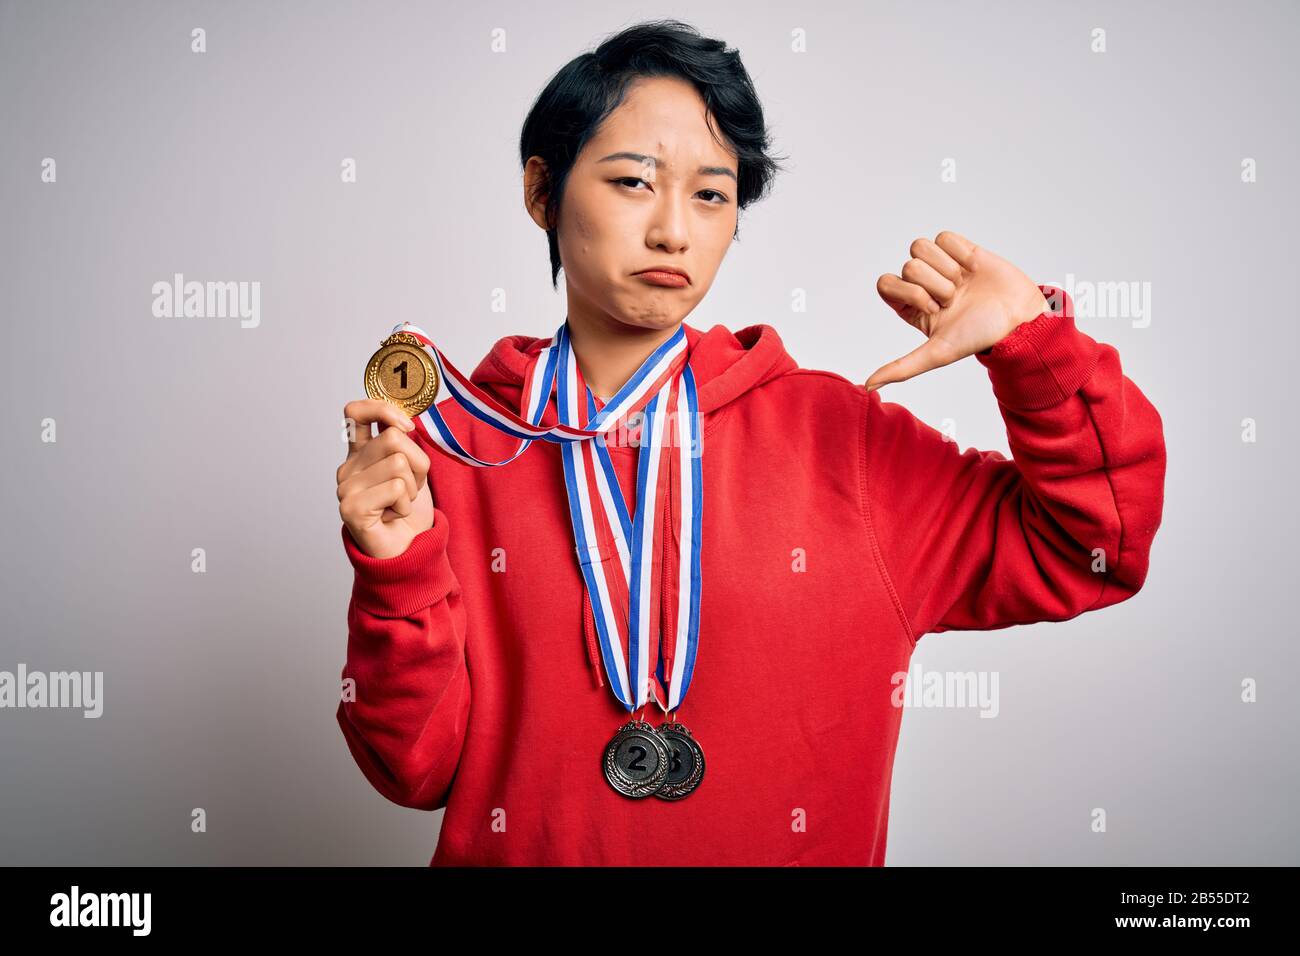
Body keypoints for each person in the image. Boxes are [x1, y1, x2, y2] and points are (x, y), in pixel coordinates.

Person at [333, 19, 1166, 866]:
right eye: (631, 182)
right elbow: (413, 768)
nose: (673, 231)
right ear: (542, 192)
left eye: (711, 194)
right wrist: (395, 564)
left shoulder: (843, 443)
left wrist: (1033, 348)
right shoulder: (454, 450)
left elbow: (1096, 546)